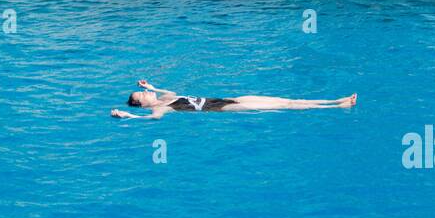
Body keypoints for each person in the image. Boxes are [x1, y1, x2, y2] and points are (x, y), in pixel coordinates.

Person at [111, 79, 357, 118]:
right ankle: (338, 106)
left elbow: (169, 92)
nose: (145, 92)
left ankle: (335, 100)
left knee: (281, 98)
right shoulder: (161, 110)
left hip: (228, 98)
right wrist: (127, 115)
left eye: (142, 90)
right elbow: (151, 120)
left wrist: (151, 85)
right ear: (141, 104)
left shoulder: (167, 98)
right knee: (286, 105)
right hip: (221, 110)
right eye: (141, 94)